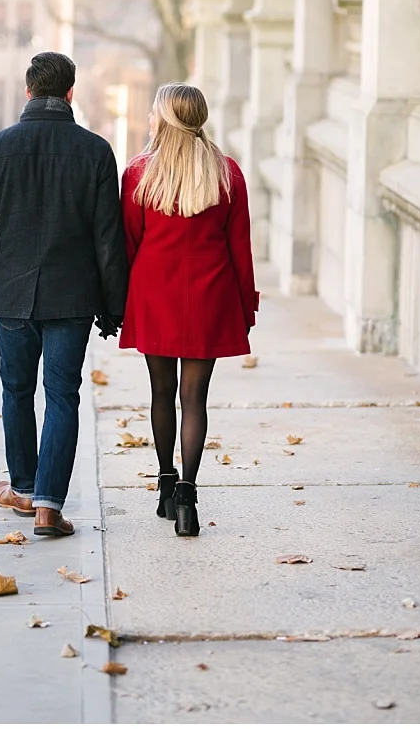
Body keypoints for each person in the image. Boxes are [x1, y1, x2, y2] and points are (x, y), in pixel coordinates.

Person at [0, 51, 128, 538]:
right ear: (70, 93)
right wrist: (114, 306)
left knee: (17, 391)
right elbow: (108, 239)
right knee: (63, 395)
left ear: (28, 91)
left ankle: (24, 489)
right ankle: (49, 507)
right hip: (73, 298)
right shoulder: (96, 152)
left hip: (13, 295)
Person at [119, 83, 259, 538]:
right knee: (194, 399)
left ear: (166, 119)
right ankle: (187, 497)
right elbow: (241, 248)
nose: (148, 119)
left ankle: (164, 484)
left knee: (161, 393)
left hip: (154, 292)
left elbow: (128, 244)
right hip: (210, 293)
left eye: (153, 112)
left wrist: (120, 302)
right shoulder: (226, 172)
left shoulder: (139, 174)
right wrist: (246, 305)